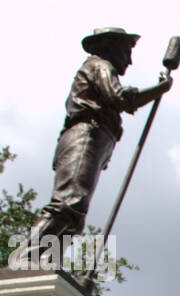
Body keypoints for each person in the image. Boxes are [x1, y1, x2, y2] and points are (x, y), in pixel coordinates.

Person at [23, 27, 172, 282]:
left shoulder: (101, 66)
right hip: (86, 135)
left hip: (96, 138)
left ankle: (48, 263)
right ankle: (26, 260)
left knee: (76, 213)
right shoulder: (100, 65)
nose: (130, 60)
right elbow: (122, 98)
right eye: (127, 51)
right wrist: (160, 89)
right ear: (111, 47)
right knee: (69, 202)